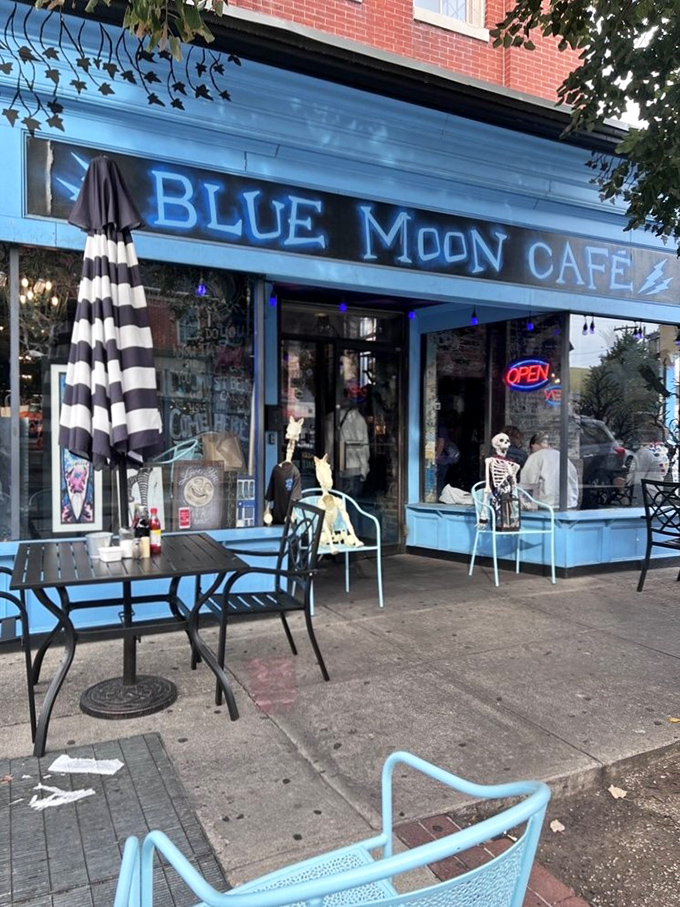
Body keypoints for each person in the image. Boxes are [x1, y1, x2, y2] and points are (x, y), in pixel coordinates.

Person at [521, 432, 579, 509]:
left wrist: (526, 506)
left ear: (533, 445)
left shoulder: (535, 457)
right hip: (569, 504)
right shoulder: (562, 456)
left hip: (546, 506)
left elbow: (528, 484)